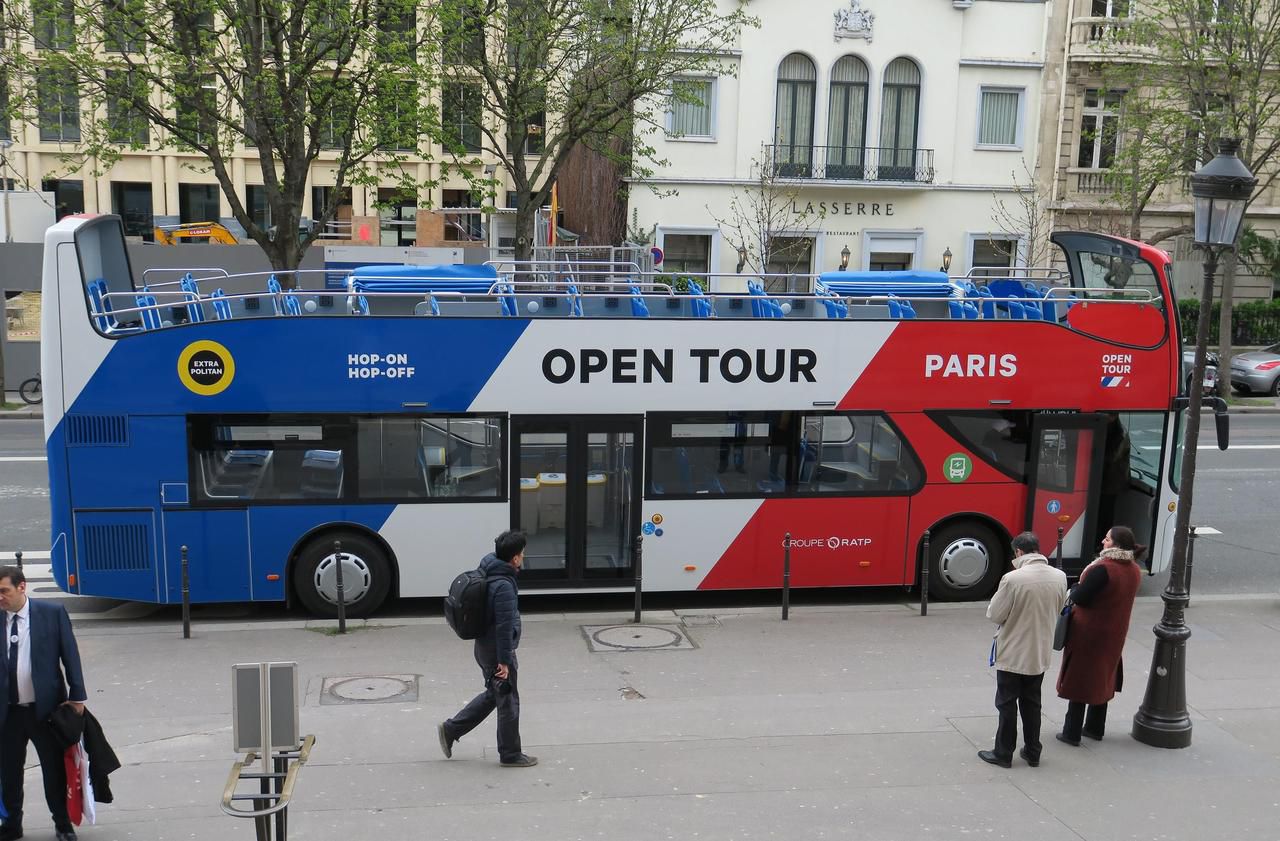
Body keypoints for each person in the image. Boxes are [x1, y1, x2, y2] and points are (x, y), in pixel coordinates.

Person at [0, 566, 88, 841]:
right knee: (9, 773)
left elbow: (70, 655)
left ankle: (62, 824)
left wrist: (77, 696)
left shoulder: (51, 614)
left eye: (4, 591)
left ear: (22, 587)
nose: (0, 598)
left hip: (45, 711)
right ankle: (12, 825)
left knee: (54, 771)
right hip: (8, 713)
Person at [437, 531, 537, 768]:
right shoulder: (503, 585)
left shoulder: (490, 569)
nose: (523, 557)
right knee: (508, 700)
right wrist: (504, 661)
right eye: (522, 553)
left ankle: (451, 729)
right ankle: (510, 754)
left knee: (495, 695)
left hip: (483, 646)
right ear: (514, 558)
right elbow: (503, 626)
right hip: (496, 651)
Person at [979, 532, 1068, 769]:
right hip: (1039, 650)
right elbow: (1059, 607)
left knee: (1007, 703)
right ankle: (1032, 751)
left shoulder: (1013, 579)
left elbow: (995, 614)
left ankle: (1003, 752)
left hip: (1013, 650)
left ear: (1018, 552)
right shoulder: (1059, 577)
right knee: (1032, 703)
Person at [1055, 525, 1144, 745]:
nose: (1103, 542)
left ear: (1116, 545)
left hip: (1089, 634)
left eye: (1107, 539)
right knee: (1103, 679)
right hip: (1114, 633)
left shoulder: (1104, 569)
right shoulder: (1133, 569)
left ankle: (1071, 732)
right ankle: (1095, 728)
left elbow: (1082, 597)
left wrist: (1074, 589)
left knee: (1080, 680)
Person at [1096, 414, 1131, 541]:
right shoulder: (1109, 429)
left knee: (1105, 514)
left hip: (1111, 482)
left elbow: (1111, 457)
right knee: (1101, 513)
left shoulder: (1119, 434)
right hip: (1105, 480)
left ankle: (1103, 541)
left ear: (1113, 417)